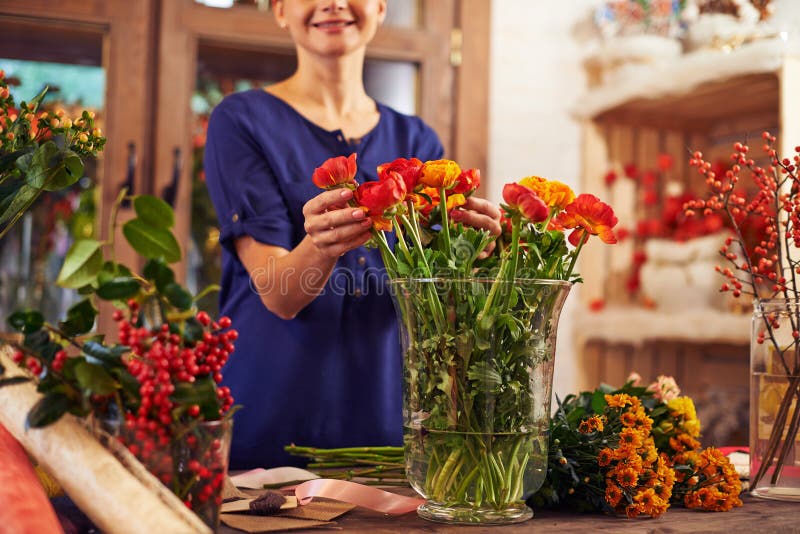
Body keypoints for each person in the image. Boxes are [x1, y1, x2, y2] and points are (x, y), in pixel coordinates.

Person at [203, 0, 501, 469]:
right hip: (270, 417)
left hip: (385, 419)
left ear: (381, 8)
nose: (333, 4)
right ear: (280, 9)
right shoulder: (241, 121)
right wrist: (321, 247)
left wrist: (478, 253)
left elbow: (437, 304)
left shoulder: (418, 141)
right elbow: (279, 295)